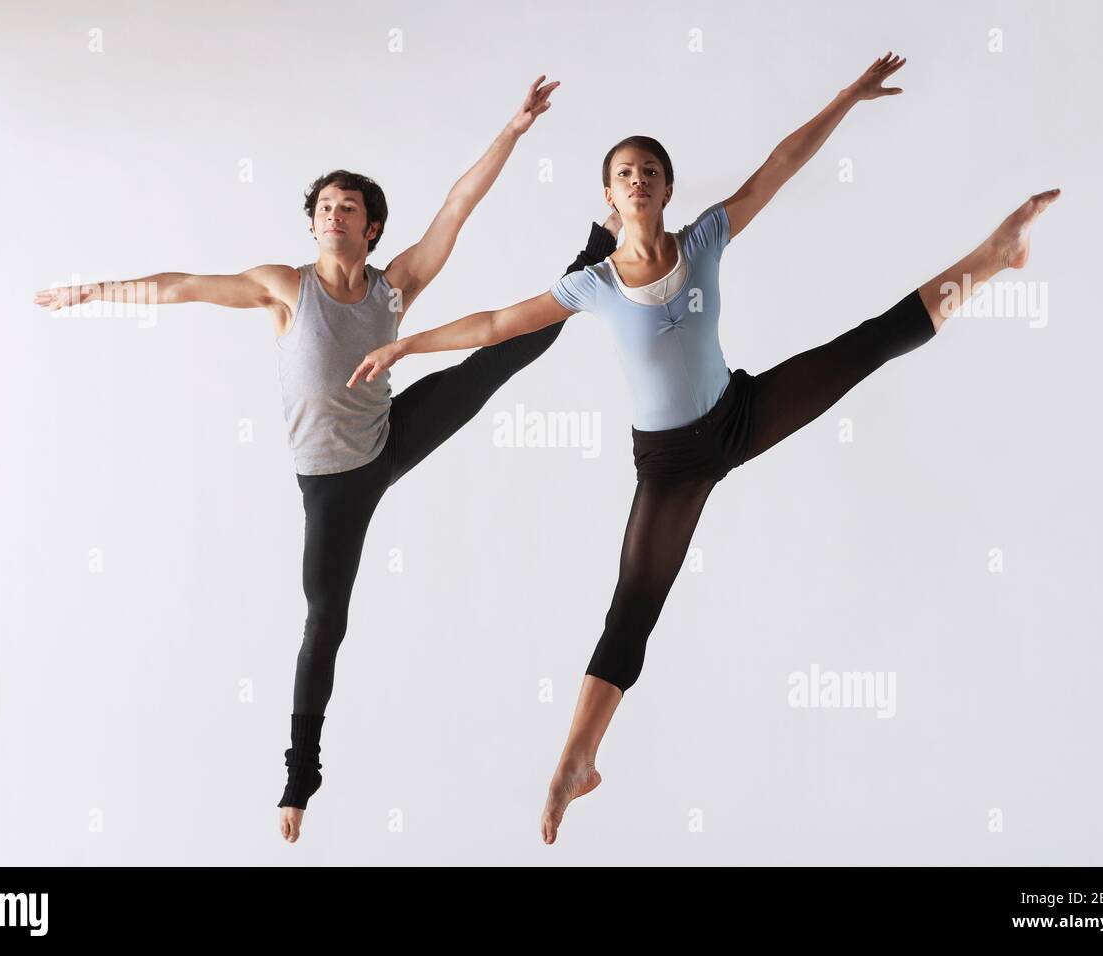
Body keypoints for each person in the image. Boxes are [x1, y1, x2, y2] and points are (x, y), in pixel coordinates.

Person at [346, 53, 1061, 843]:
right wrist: (407, 348)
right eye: (624, 172)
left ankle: (995, 255)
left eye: (650, 169)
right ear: (609, 195)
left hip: (739, 413)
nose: (638, 179)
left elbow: (777, 170)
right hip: (671, 464)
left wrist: (844, 99)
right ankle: (576, 761)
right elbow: (492, 326)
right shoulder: (593, 284)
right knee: (634, 607)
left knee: (870, 343)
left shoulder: (707, 237)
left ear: (668, 188)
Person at [33, 75, 620, 844]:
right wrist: (97, 291)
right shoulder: (283, 288)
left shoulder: (394, 288)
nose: (332, 215)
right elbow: (180, 285)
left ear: (370, 228)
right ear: (312, 225)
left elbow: (456, 207)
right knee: (325, 620)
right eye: (323, 207)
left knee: (497, 352)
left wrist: (511, 130)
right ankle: (300, 778)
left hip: (390, 435)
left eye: (347, 207)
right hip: (332, 484)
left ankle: (599, 252)